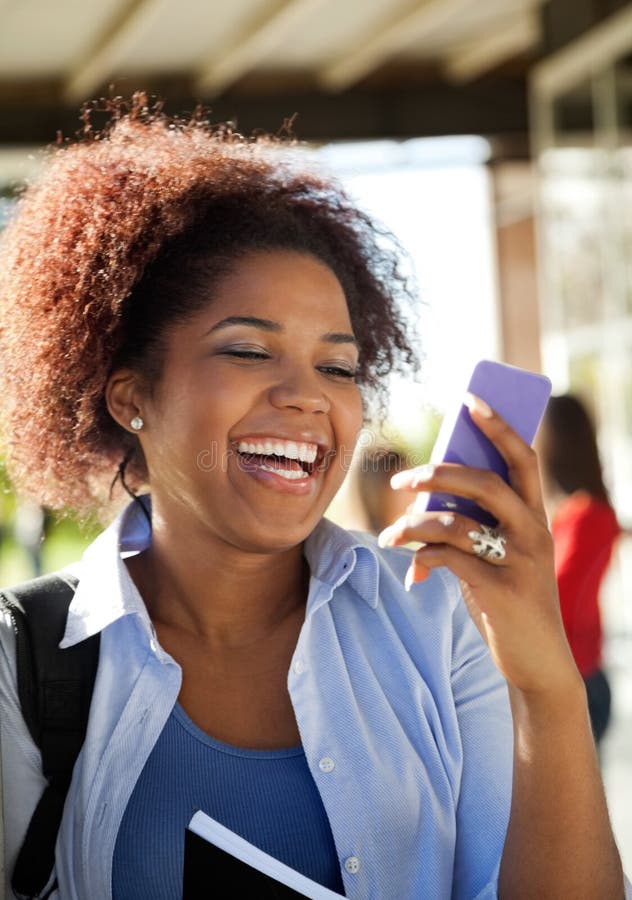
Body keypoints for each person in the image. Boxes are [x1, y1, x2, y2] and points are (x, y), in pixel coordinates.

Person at [0, 93, 628, 900]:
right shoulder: (22, 662)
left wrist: (547, 687)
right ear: (131, 397)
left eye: (338, 366)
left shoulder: (437, 621)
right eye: (248, 351)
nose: (309, 396)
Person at [536, 392, 622, 748]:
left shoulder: (585, 515)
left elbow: (558, 598)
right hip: (577, 674)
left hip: (578, 679)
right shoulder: (578, 511)